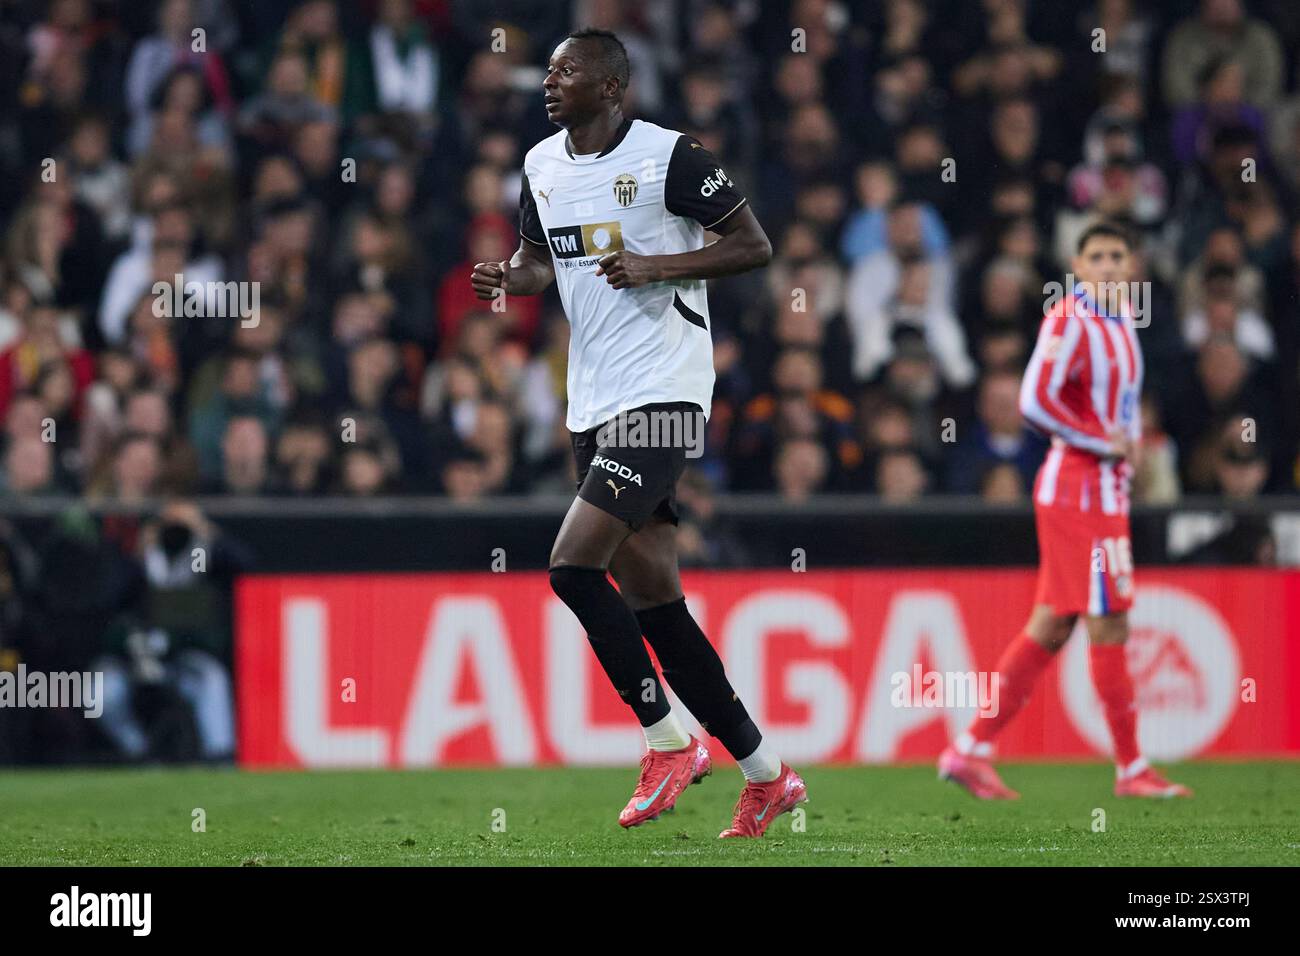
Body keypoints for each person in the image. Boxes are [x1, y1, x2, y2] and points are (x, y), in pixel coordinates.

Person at [471, 28, 806, 838]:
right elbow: (540, 260)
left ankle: (666, 740)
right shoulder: (542, 166)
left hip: (665, 393)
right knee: (656, 600)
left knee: (571, 567)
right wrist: (508, 280)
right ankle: (767, 774)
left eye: (568, 71)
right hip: (591, 402)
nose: (550, 83)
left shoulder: (672, 157)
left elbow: (754, 246)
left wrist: (659, 266)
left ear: (614, 86)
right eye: (547, 72)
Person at [938, 222, 1192, 800]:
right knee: (1110, 621)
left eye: (1116, 255)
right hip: (1079, 491)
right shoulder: (1070, 319)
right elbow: (1034, 400)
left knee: (1053, 624)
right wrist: (1103, 443)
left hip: (1104, 491)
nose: (1106, 265)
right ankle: (1131, 769)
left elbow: (1120, 406)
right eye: (1095, 255)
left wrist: (1128, 449)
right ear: (1077, 265)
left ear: (1132, 266)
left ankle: (971, 748)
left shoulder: (1124, 317)